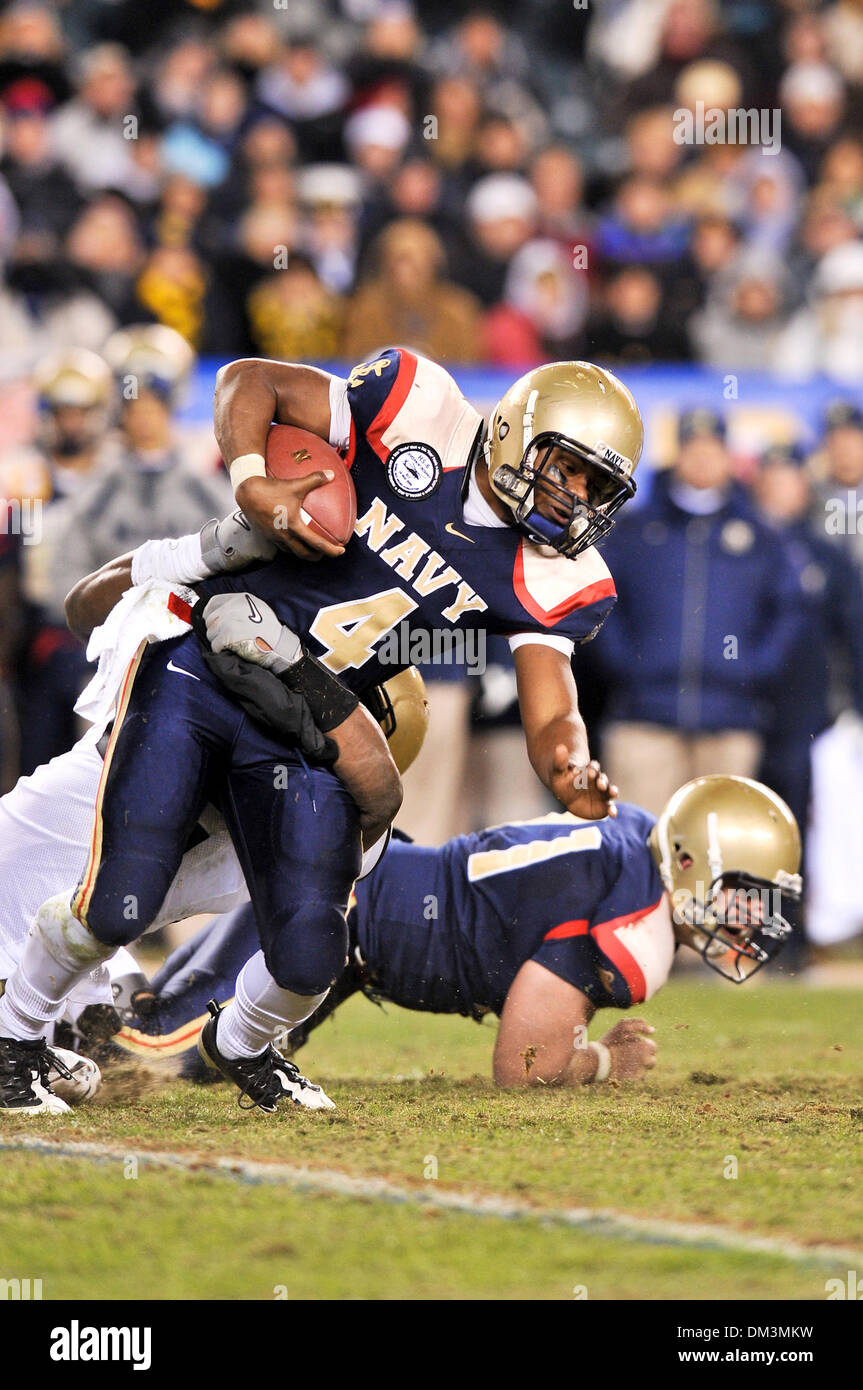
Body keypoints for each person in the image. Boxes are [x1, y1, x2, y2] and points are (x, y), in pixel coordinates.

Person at [0, 349, 643, 1115]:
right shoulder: (419, 411)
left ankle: (209, 1037)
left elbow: (551, 709)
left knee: (303, 942)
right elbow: (250, 379)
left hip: (306, 720)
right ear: (512, 432)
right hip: (215, 656)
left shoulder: (558, 577)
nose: (573, 498)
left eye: (595, 488)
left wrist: (569, 766)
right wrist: (250, 478)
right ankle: (29, 1031)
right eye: (567, 469)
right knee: (103, 880)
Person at [103, 775, 803, 1093]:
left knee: (181, 1052)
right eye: (740, 895)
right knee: (158, 1057)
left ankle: (91, 980)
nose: (747, 919)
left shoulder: (634, 841)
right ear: (686, 866)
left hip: (360, 894)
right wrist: (596, 1063)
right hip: (344, 909)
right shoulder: (633, 917)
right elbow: (523, 1064)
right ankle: (40, 999)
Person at [597, 409, 807, 815]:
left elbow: (789, 610)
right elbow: (598, 602)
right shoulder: (635, 531)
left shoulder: (761, 536)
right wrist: (626, 663)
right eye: (693, 447)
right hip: (643, 716)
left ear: (729, 457)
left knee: (718, 854)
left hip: (730, 720)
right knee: (642, 845)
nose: (703, 458)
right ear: (677, 453)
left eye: (713, 448)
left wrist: (753, 668)